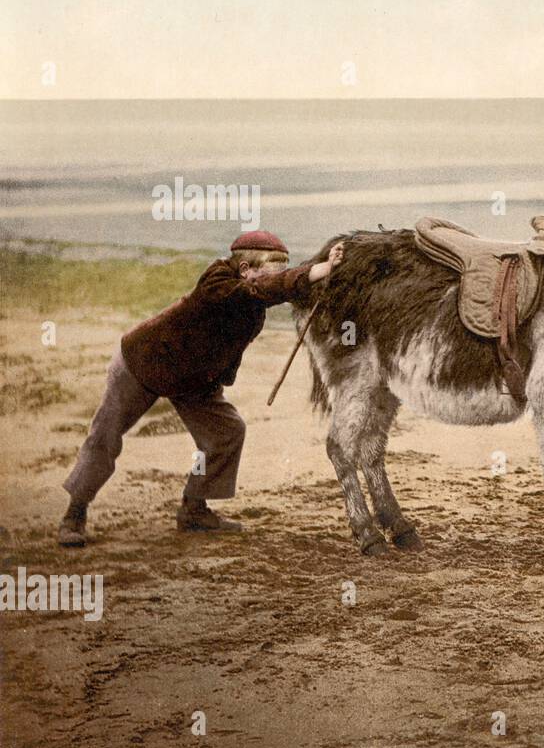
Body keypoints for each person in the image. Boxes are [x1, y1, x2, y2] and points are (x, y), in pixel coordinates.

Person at [57, 231, 343, 545]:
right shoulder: (216, 281)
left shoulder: (255, 302)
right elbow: (267, 288)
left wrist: (327, 272)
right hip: (144, 361)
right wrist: (313, 271)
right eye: (268, 271)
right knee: (105, 435)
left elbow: (282, 287)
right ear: (245, 269)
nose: (273, 279)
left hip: (194, 379)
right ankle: (75, 513)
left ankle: (194, 508)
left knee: (226, 432)